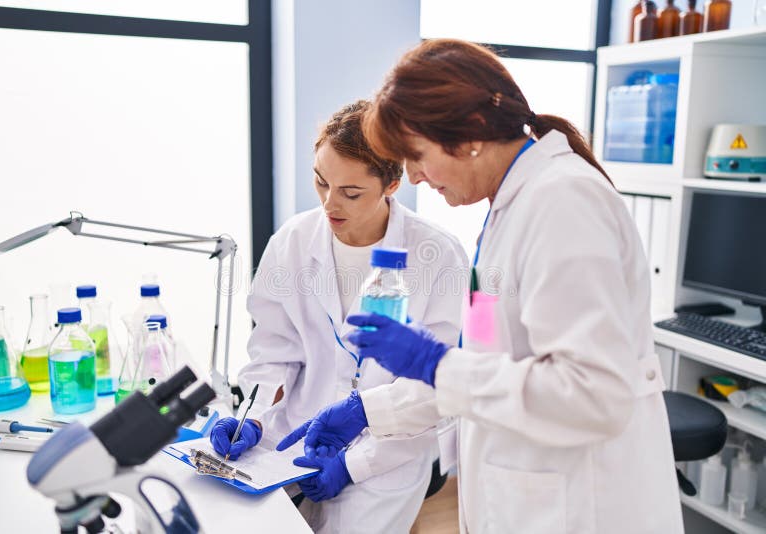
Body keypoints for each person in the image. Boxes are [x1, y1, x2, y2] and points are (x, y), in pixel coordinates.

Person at [278, 40, 684, 533]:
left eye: (417, 155)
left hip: (580, 505)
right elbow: (482, 370)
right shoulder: (505, 213)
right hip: (517, 495)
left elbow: (592, 393)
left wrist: (433, 362)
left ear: (469, 134)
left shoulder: (563, 202)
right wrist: (371, 408)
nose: (412, 177)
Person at [211, 100, 468, 533]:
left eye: (351, 193)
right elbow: (273, 350)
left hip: (386, 453)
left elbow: (433, 383)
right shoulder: (292, 241)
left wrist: (353, 465)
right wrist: (252, 414)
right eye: (321, 182)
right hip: (289, 441)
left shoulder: (437, 255)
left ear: (392, 183)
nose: (331, 204)